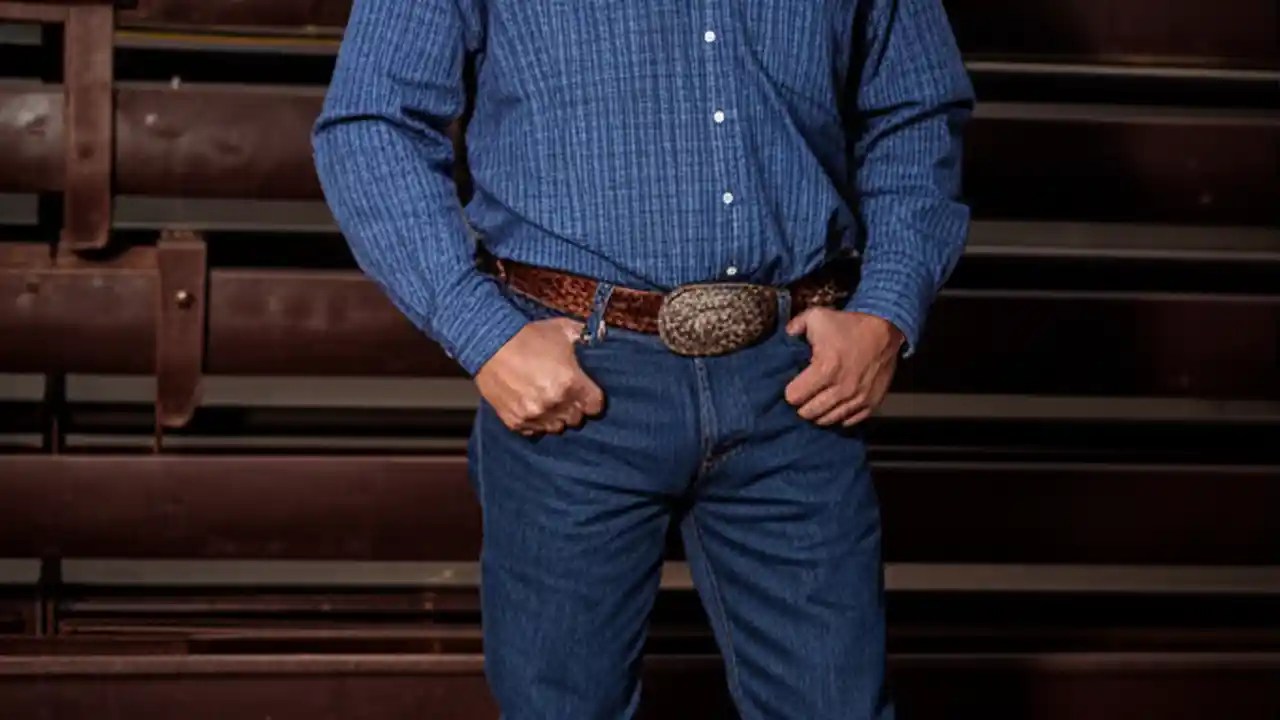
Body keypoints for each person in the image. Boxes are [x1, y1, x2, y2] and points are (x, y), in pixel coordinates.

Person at [313, 0, 972, 717]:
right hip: (576, 391)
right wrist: (484, 333)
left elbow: (917, 108)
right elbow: (371, 122)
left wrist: (886, 308)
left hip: (796, 386)